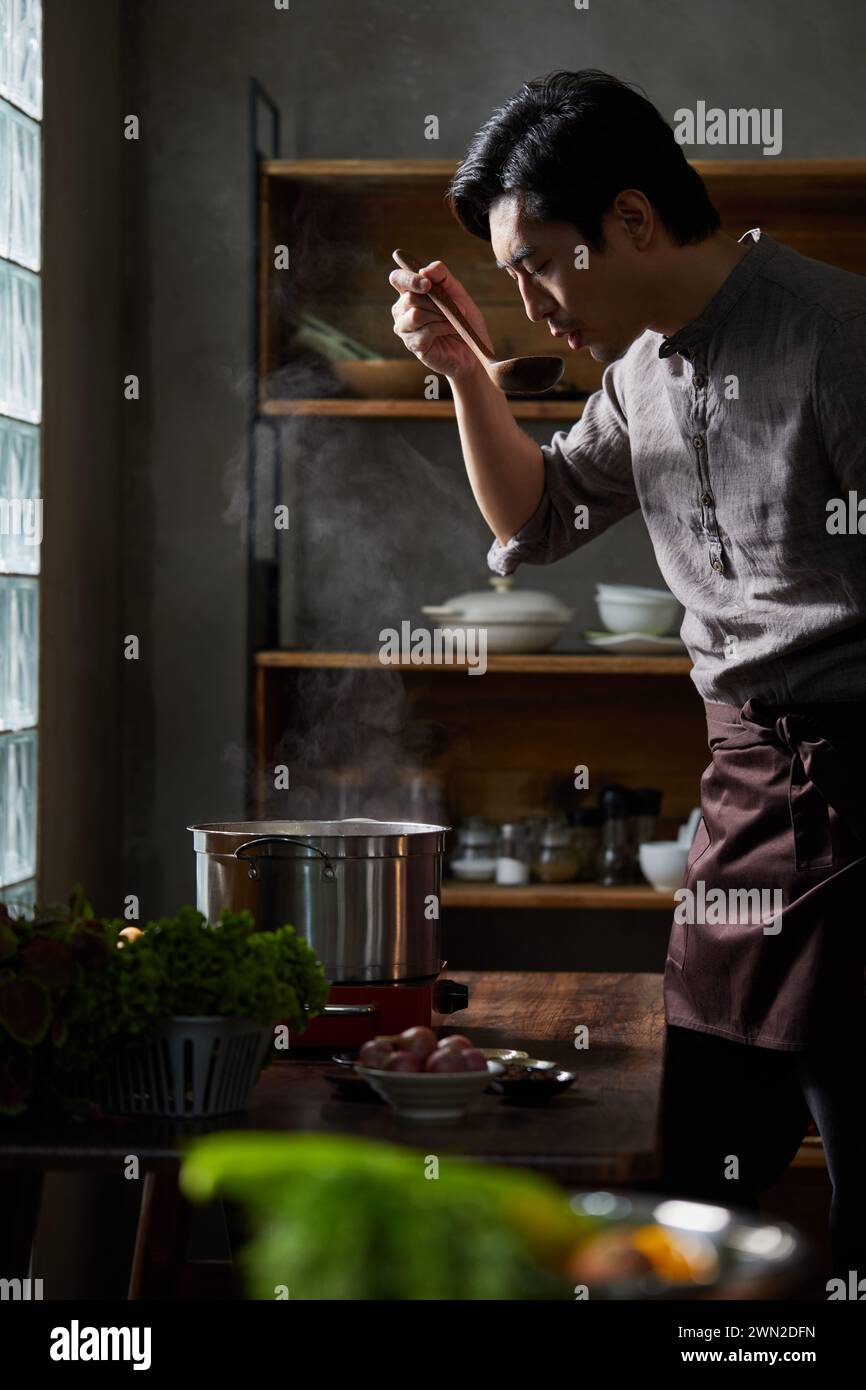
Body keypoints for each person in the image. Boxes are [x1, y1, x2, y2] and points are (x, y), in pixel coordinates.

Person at [389, 69, 866, 1281]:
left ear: (634, 220)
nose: (533, 303)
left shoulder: (837, 335)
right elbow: (536, 517)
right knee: (690, 1166)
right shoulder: (640, 373)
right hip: (741, 795)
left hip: (865, 801)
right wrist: (461, 372)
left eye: (541, 262)